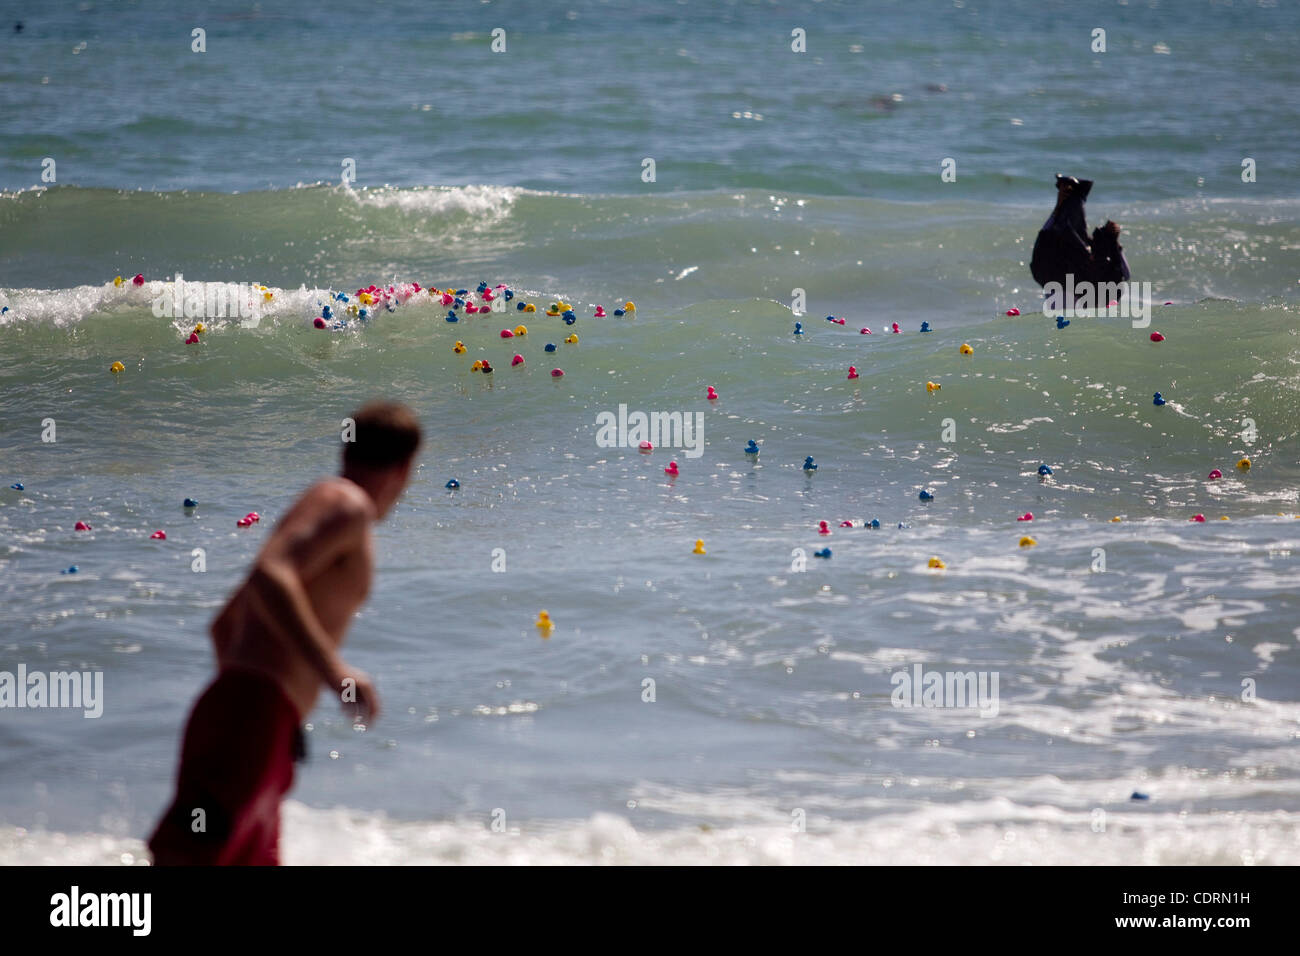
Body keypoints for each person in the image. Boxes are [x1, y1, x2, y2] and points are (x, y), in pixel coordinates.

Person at [148, 400, 422, 865]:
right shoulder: (346, 503)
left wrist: (268, 708)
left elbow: (225, 625)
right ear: (404, 467)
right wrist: (333, 672)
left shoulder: (340, 513)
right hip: (253, 719)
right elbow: (269, 574)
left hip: (262, 721)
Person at [1030, 175, 1128, 308]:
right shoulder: (1056, 255)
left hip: (1085, 315)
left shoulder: (1095, 251)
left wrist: (1113, 244)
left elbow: (1124, 275)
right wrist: (1058, 209)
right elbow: (1045, 241)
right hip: (1068, 315)